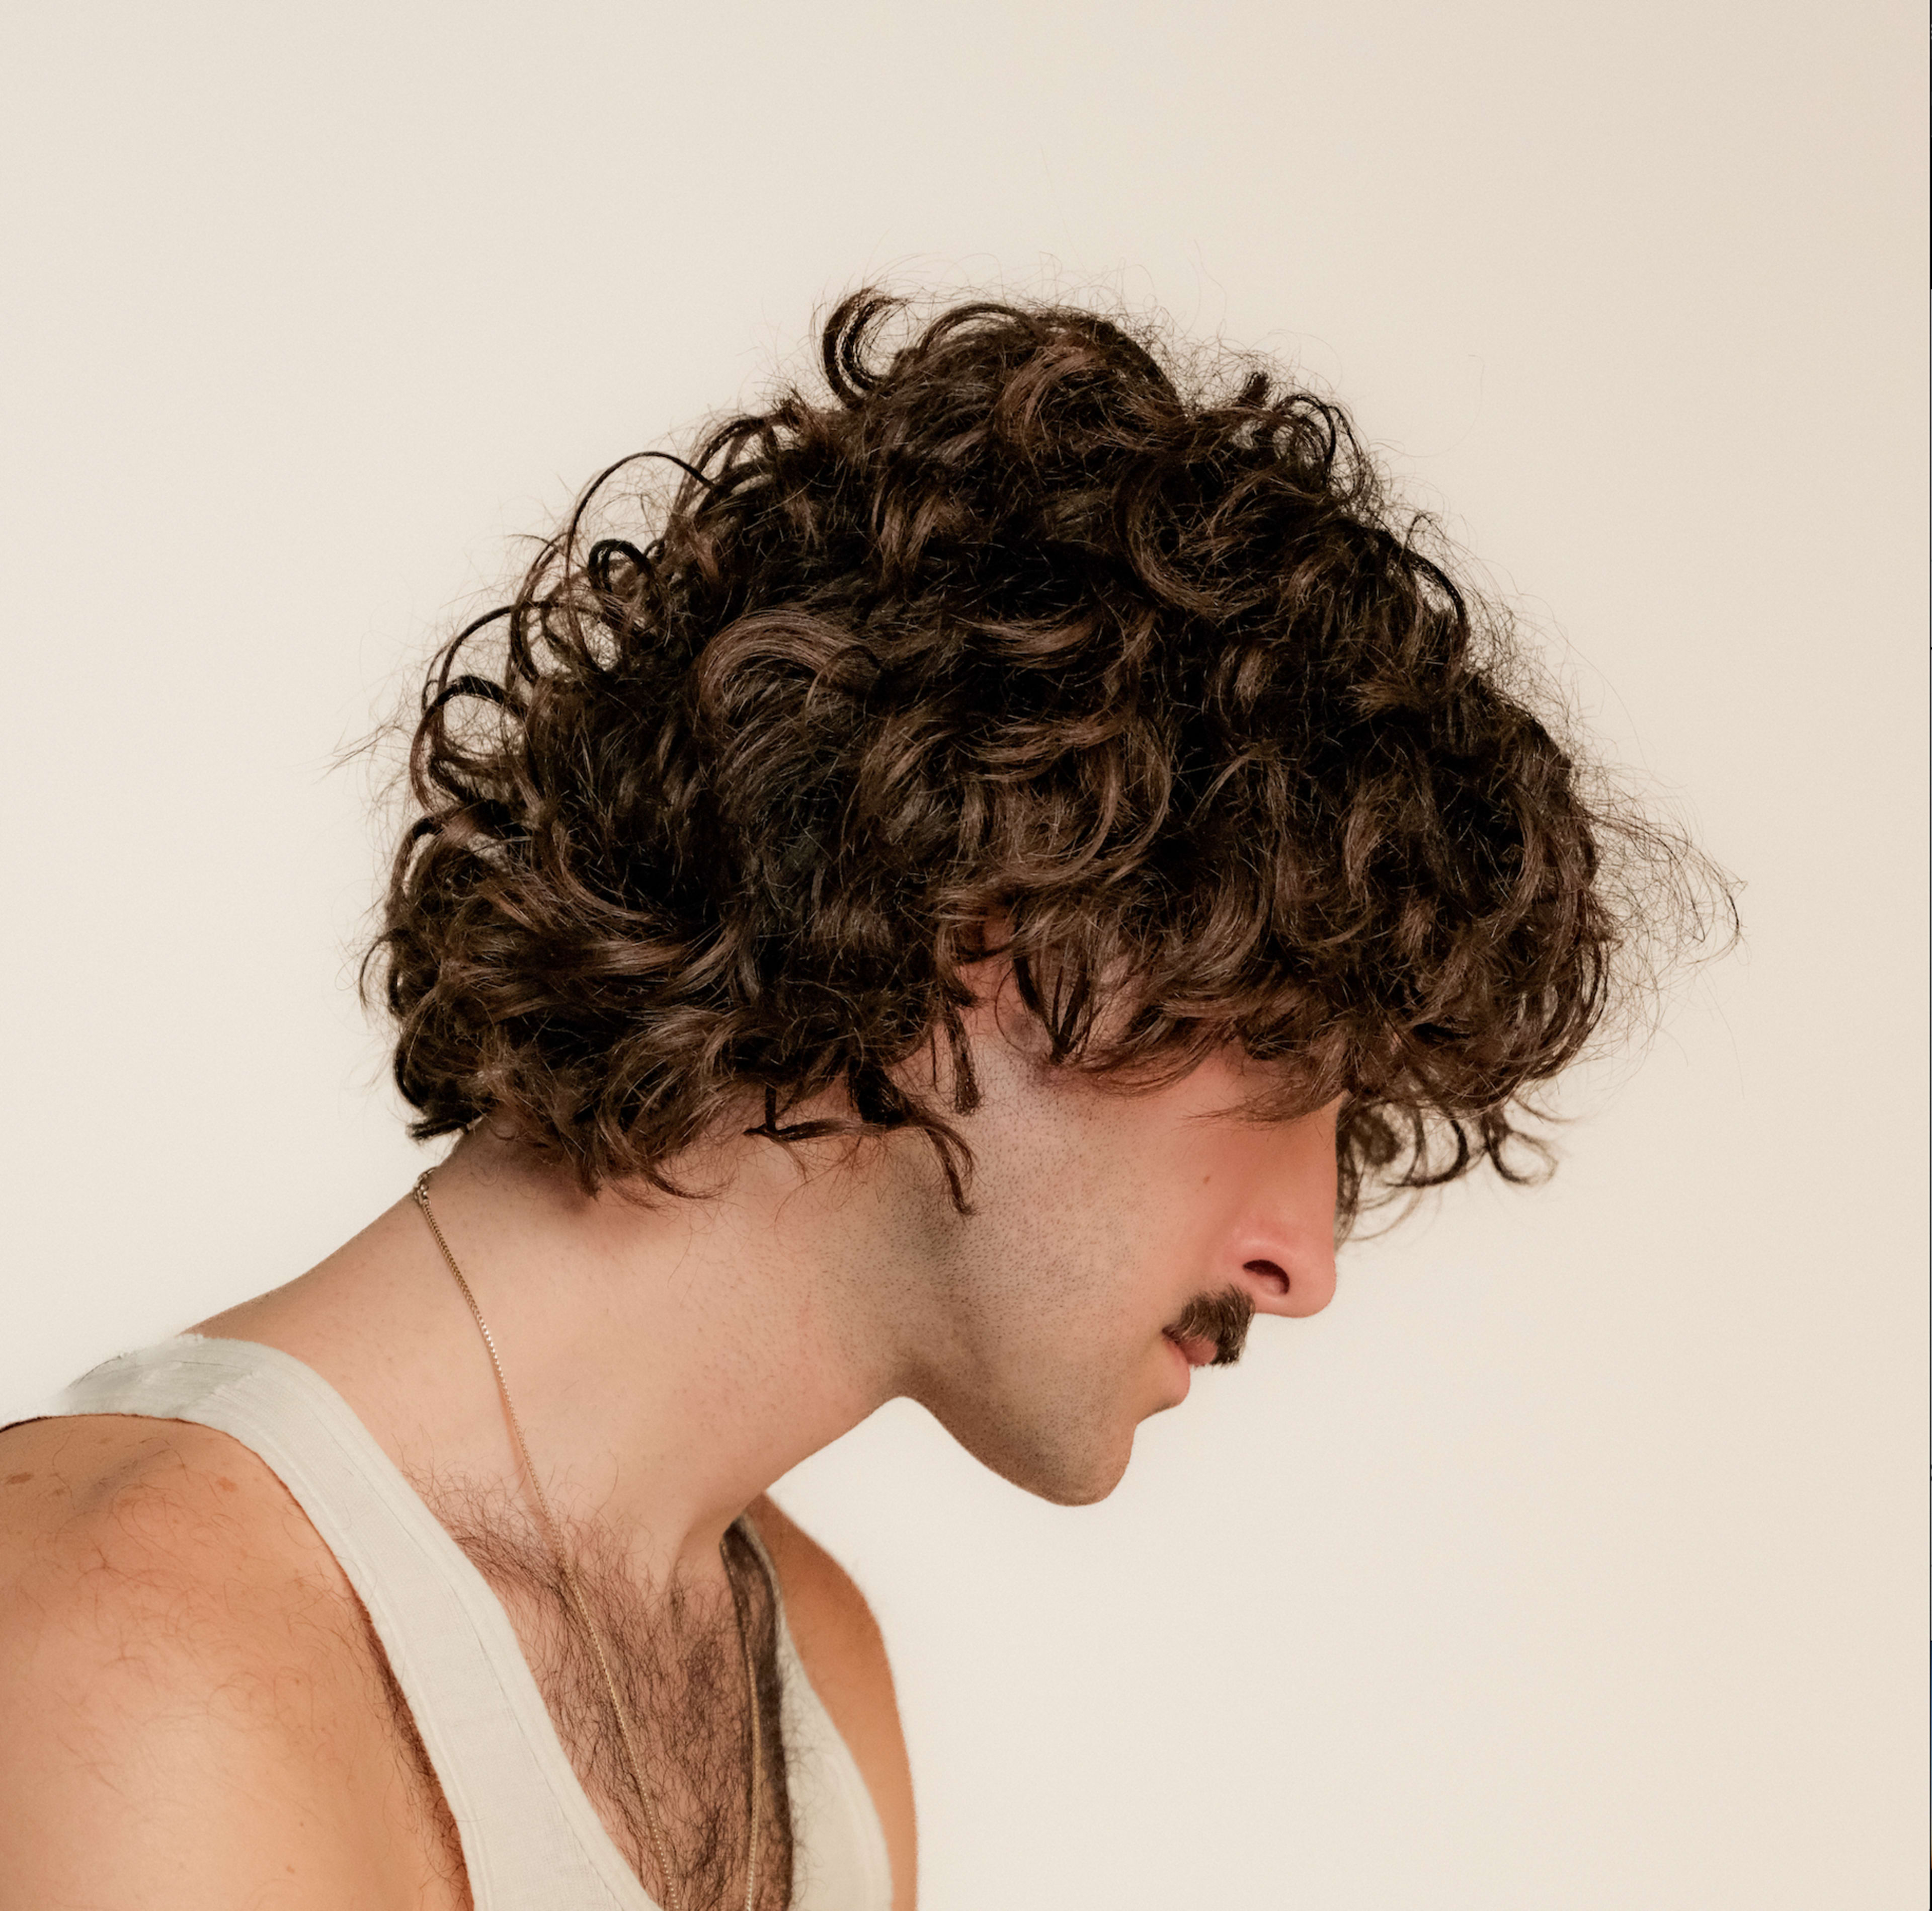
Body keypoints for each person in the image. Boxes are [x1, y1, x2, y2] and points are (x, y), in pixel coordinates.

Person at [0, 290, 1704, 1910]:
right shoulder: (145, 1655)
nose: (1304, 1259)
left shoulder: (809, 1669)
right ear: (1005, 903)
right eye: (1294, 1069)